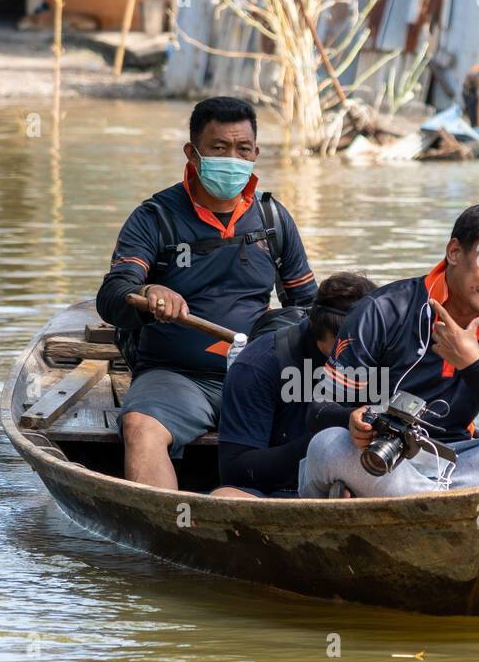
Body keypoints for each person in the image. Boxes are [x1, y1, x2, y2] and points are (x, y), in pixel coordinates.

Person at [96, 96, 318, 489]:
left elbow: (308, 306)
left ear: (255, 154)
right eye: (219, 148)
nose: (232, 158)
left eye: (242, 149)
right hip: (178, 377)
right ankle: (164, 530)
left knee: (333, 424)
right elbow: (114, 295)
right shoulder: (156, 218)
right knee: (140, 426)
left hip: (258, 376)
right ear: (193, 154)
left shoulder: (273, 219)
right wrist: (149, 291)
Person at [299, 201, 479, 499]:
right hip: (381, 461)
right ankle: (452, 499)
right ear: (455, 252)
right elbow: (317, 411)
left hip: (454, 462)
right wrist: (351, 419)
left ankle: (427, 497)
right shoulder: (382, 310)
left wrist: (471, 363)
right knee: (327, 446)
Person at [213, 272, 377, 498]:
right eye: (347, 349)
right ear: (318, 330)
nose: (360, 359)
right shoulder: (256, 366)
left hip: (360, 482)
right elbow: (235, 471)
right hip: (281, 493)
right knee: (226, 497)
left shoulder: (379, 352)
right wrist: (325, 449)